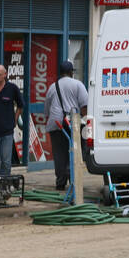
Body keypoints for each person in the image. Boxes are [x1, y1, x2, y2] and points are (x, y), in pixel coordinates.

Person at [44, 60, 89, 192]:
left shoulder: (52, 87)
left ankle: (60, 182)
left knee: (59, 155)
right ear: (71, 72)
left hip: (56, 124)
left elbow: (47, 110)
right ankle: (73, 180)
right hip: (73, 124)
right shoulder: (78, 85)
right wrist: (85, 122)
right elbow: (84, 106)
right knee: (74, 152)